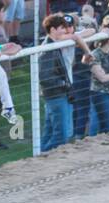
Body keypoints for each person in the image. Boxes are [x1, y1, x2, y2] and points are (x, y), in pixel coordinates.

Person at [39, 13, 75, 152]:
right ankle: (41, 158)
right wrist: (64, 84)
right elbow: (46, 77)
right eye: (62, 28)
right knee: (61, 135)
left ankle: (40, 155)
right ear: (53, 30)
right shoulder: (48, 49)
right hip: (56, 96)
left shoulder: (53, 46)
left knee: (49, 133)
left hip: (55, 95)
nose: (65, 31)